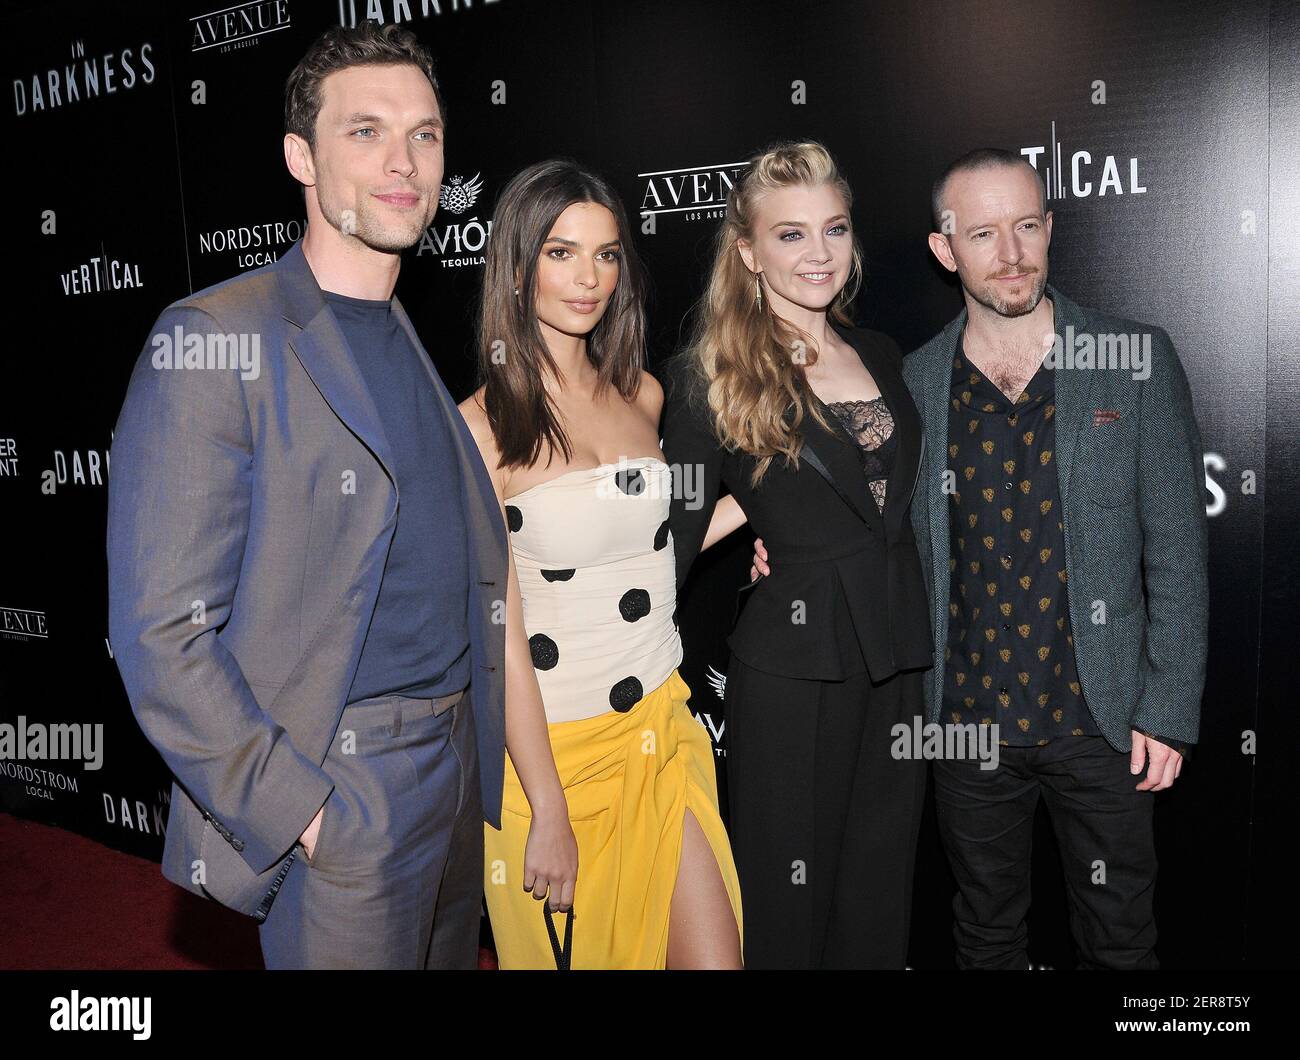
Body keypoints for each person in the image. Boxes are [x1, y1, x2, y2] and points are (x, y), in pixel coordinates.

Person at [107, 22, 504, 969]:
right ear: (301, 156)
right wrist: (307, 813)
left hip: (455, 773)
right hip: (347, 782)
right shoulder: (213, 339)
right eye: (364, 132)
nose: (404, 162)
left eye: (425, 134)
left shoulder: (408, 331)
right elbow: (159, 632)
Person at [903, 147, 1207, 968]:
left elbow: (1178, 544)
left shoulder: (1129, 358)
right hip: (965, 727)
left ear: (1049, 227)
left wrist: (1169, 706)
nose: (1012, 253)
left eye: (1028, 225)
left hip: (1102, 721)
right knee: (986, 937)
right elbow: (875, 536)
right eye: (985, 233)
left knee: (1120, 943)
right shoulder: (914, 385)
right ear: (945, 249)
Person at [459, 159, 746, 969]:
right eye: (562, 253)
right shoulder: (481, 430)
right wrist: (546, 807)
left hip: (662, 727)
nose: (589, 279)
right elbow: (500, 636)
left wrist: (767, 512)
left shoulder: (642, 395)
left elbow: (651, 547)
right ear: (518, 268)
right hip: (554, 759)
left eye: (608, 254)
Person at [662, 141, 934, 968]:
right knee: (787, 903)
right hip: (791, 671)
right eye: (790, 235)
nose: (818, 253)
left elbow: (872, 499)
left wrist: (775, 503)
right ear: (747, 251)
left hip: (899, 658)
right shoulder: (708, 374)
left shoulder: (882, 353)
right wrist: (760, 521)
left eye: (835, 229)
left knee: (879, 894)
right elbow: (674, 538)